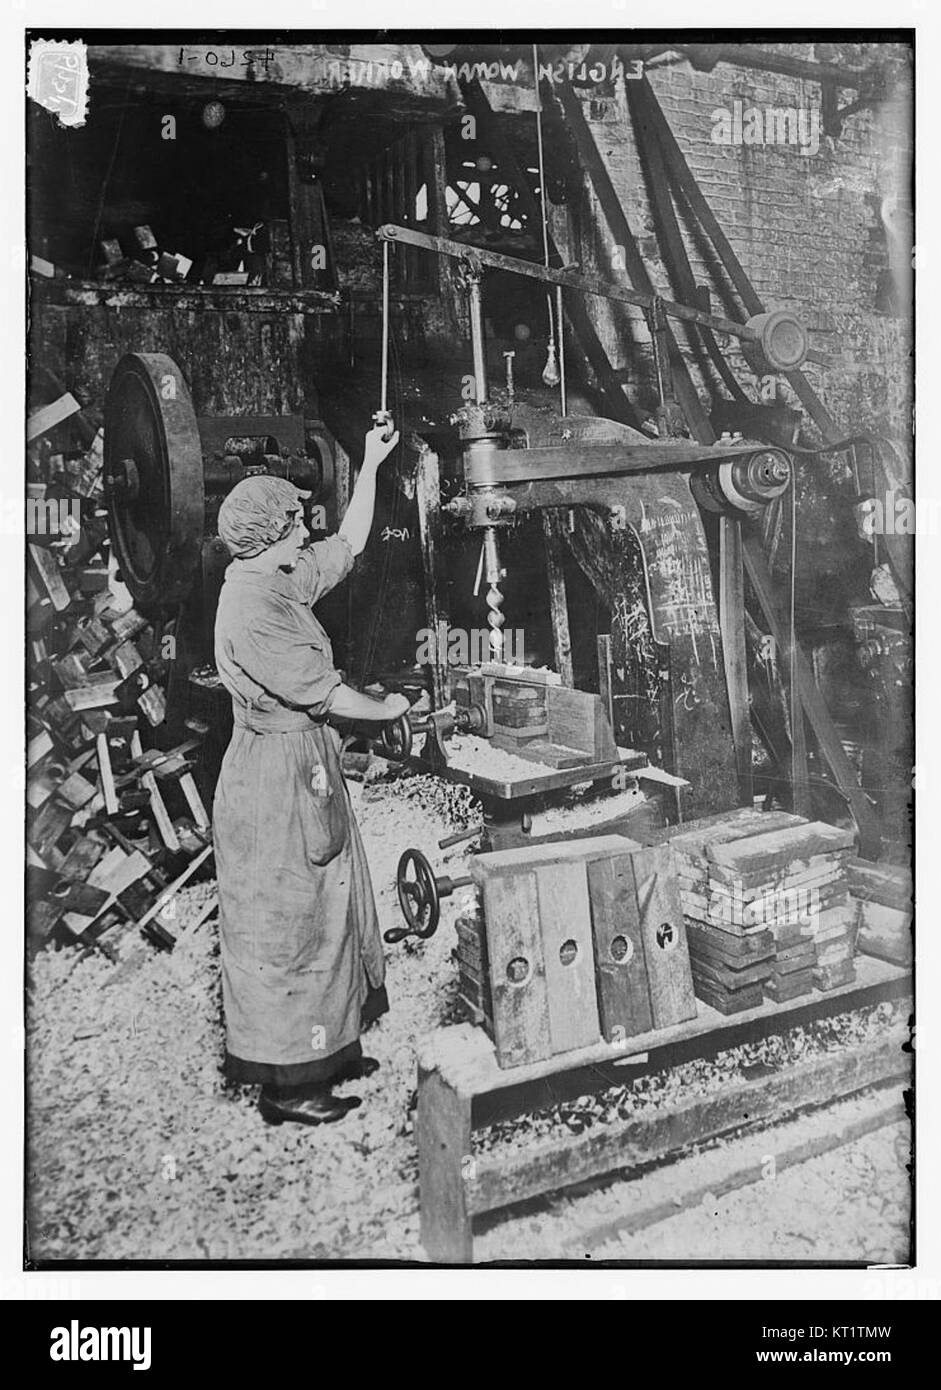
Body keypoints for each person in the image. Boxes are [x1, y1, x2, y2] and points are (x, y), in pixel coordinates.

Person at [212, 422, 409, 1127]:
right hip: (273, 776)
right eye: (295, 524)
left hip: (305, 761)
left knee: (331, 904)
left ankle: (329, 1046)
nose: (306, 532)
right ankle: (290, 1086)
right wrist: (391, 710)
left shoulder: (276, 573)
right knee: (289, 924)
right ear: (266, 535)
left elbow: (348, 546)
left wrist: (372, 462)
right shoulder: (253, 607)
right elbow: (327, 695)